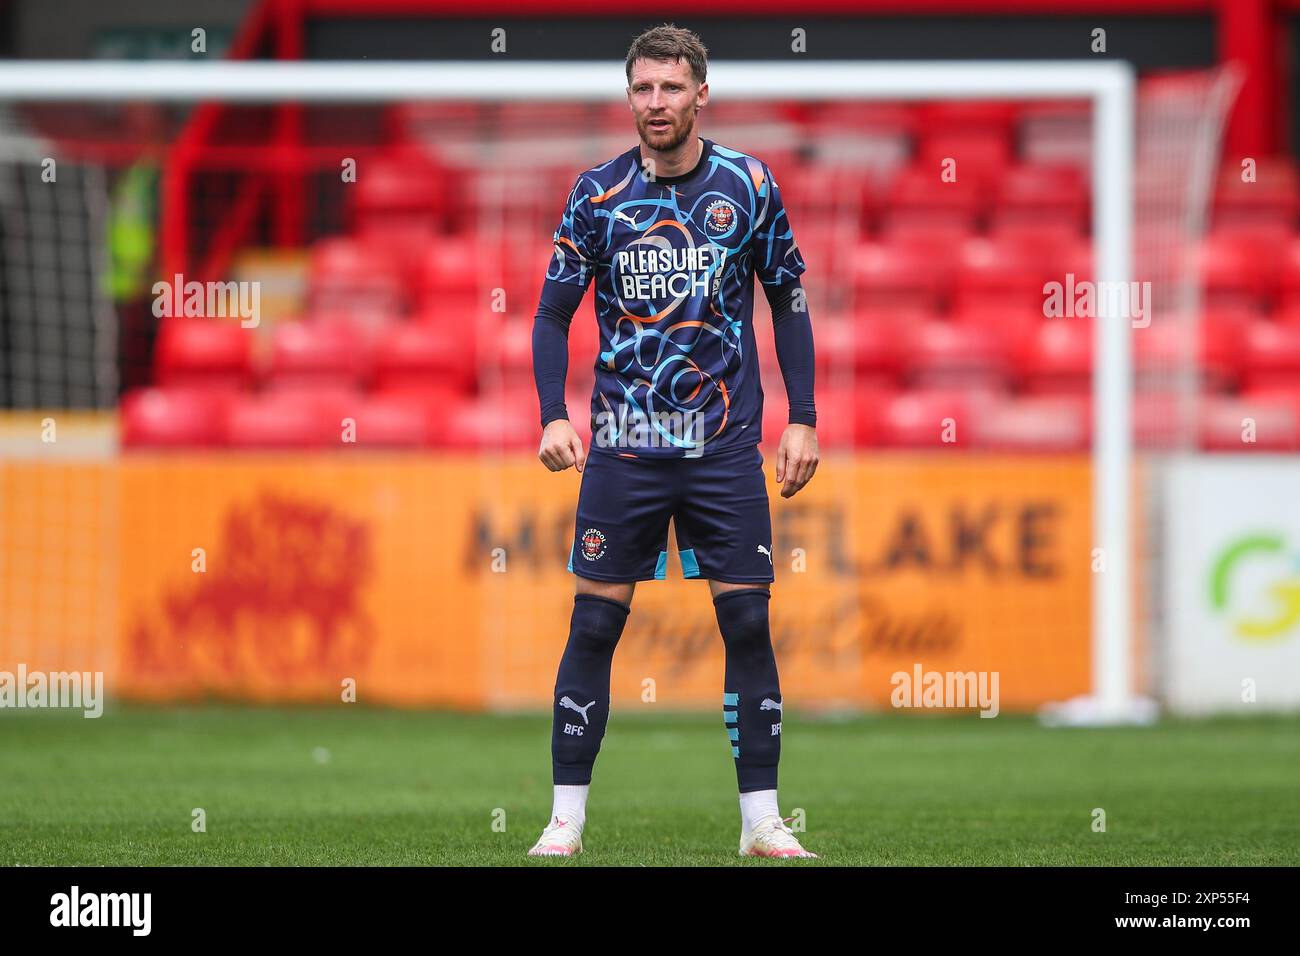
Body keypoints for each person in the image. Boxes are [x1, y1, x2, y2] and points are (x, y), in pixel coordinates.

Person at [528, 23, 819, 858]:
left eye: (671, 87)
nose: (656, 102)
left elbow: (788, 299)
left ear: (701, 93)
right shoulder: (597, 193)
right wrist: (553, 413)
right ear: (630, 97)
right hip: (624, 443)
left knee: (750, 626)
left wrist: (802, 415)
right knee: (592, 628)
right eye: (643, 88)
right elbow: (551, 312)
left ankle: (761, 822)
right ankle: (565, 821)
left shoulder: (749, 185)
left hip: (725, 444)